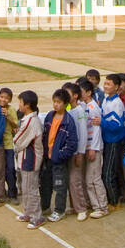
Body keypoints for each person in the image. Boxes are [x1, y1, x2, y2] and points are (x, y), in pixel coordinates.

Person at [36, 90, 78, 227]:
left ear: (65, 104)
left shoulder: (68, 121)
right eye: (54, 101)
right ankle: (45, 206)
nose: (55, 105)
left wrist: (59, 155)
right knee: (45, 183)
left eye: (59, 102)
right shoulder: (49, 116)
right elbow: (45, 135)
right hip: (47, 158)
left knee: (60, 185)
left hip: (59, 160)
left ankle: (59, 210)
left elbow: (72, 144)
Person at [78, 78, 108, 219]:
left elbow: (96, 130)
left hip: (94, 148)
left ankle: (102, 207)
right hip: (88, 147)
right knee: (88, 179)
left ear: (89, 93)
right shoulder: (84, 106)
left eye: (81, 92)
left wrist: (93, 149)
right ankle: (93, 203)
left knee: (93, 178)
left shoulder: (93, 107)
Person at [101, 73, 125, 209]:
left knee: (108, 172)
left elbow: (117, 125)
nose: (106, 86)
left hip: (114, 141)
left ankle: (114, 200)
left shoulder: (117, 103)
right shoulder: (106, 100)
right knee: (108, 171)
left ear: (117, 87)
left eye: (109, 84)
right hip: (106, 140)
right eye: (105, 83)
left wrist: (101, 122)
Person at [14, 91, 43, 226]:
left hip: (30, 160)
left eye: (20, 102)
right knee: (25, 188)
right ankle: (27, 213)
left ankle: (37, 216)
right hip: (24, 158)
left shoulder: (31, 121)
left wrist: (12, 146)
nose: (19, 105)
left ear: (27, 105)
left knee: (31, 189)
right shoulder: (27, 119)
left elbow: (18, 140)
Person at [64, 83, 90, 219]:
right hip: (69, 151)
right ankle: (74, 206)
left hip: (77, 152)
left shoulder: (79, 111)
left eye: (67, 93)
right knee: (70, 180)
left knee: (76, 180)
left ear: (75, 96)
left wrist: (80, 153)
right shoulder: (68, 110)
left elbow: (83, 133)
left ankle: (81, 208)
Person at [0, 88, 19, 203]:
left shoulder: (11, 110)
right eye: (1, 97)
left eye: (6, 98)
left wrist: (8, 116)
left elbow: (16, 124)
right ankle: (1, 192)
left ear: (10, 100)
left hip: (8, 144)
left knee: (10, 169)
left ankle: (13, 193)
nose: (3, 99)